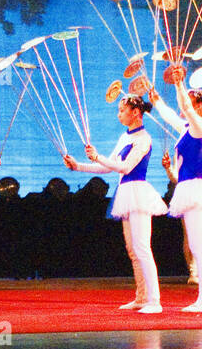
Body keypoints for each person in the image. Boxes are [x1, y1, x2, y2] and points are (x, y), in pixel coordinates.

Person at [64, 95, 165, 313]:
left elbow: (126, 167)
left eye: (122, 110)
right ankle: (141, 297)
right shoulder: (124, 137)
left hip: (138, 192)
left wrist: (97, 156)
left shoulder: (144, 138)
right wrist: (78, 166)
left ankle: (155, 301)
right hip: (127, 193)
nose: (118, 114)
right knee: (132, 249)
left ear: (135, 113)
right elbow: (107, 167)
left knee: (142, 247)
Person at [153, 70, 202, 312]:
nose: (184, 106)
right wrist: (155, 101)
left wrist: (179, 82)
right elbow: (170, 114)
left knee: (199, 247)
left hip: (196, 190)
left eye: (190, 103)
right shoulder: (186, 127)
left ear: (199, 106)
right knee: (196, 246)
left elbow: (183, 104)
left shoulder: (199, 126)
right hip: (187, 187)